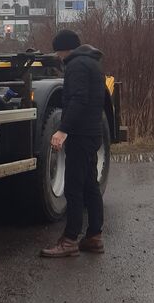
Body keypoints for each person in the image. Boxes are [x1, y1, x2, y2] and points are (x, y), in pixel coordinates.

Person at [40, 29, 107, 258]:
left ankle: (69, 240)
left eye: (58, 51)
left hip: (79, 135)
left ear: (64, 48)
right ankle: (94, 237)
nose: (58, 57)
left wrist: (62, 130)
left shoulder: (76, 66)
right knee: (89, 185)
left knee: (73, 187)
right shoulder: (92, 64)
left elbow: (78, 99)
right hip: (91, 133)